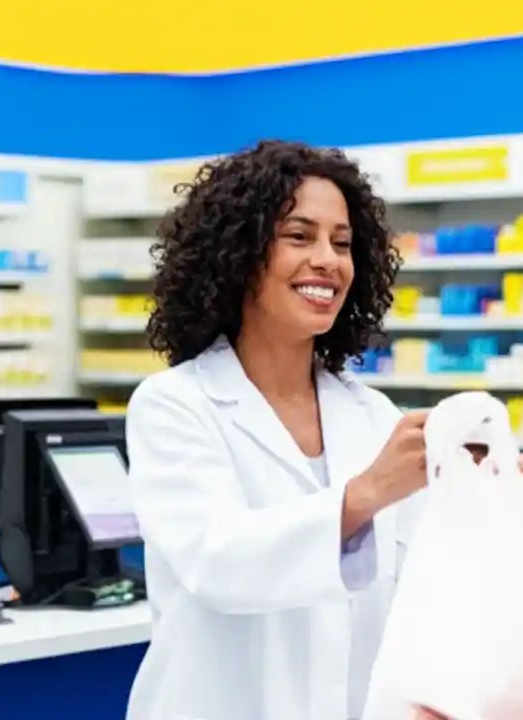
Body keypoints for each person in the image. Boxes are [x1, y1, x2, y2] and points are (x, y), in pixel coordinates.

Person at [124, 140, 428, 720]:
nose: (328, 260)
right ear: (239, 252)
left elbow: (419, 585)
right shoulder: (175, 405)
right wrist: (364, 496)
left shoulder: (373, 417)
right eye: (299, 236)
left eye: (342, 243)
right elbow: (220, 562)